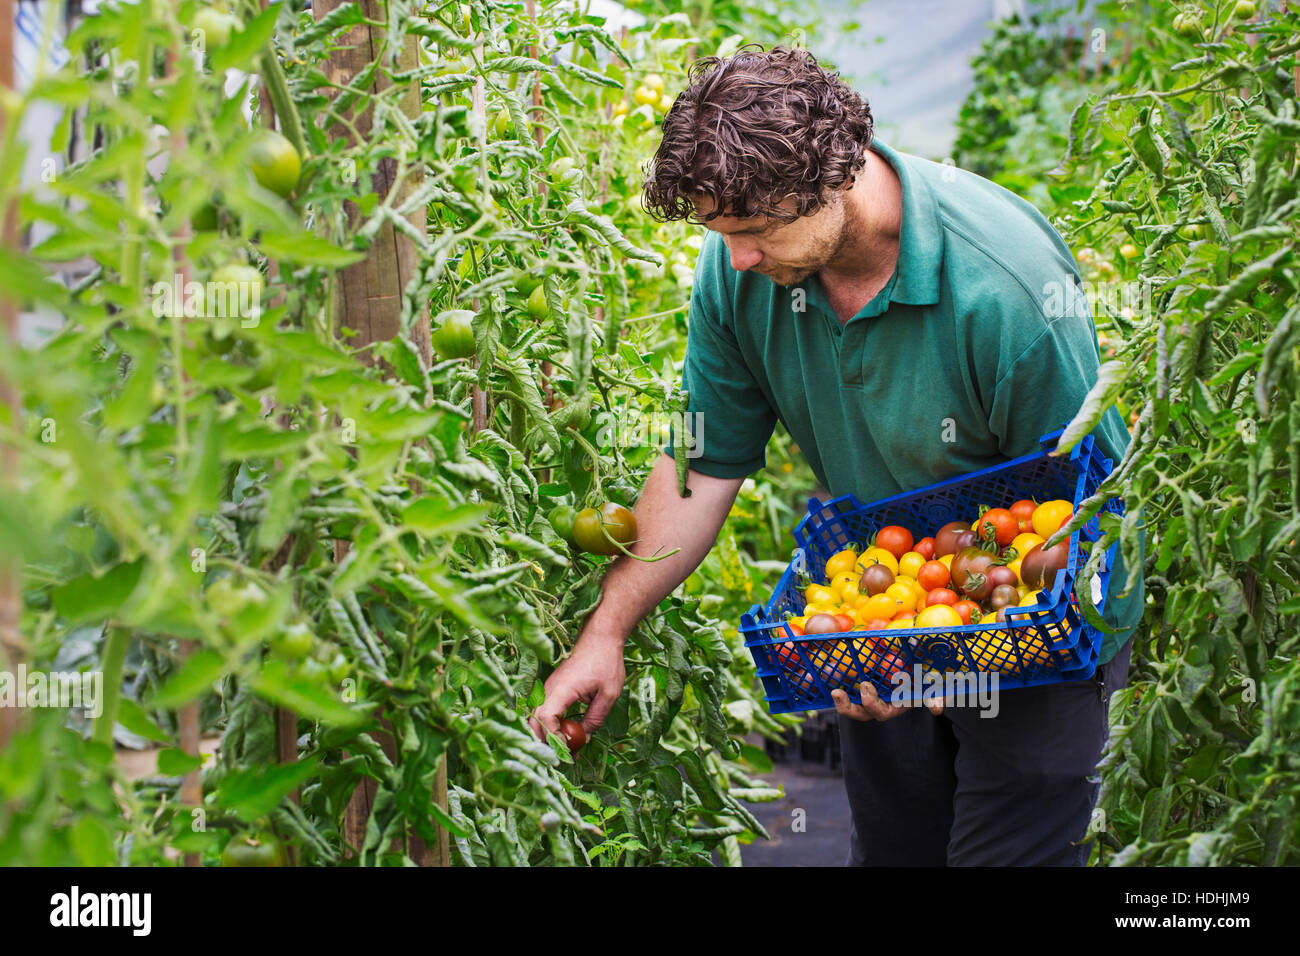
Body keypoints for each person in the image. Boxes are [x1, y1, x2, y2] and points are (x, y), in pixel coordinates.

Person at [531, 44, 1144, 866]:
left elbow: (1079, 509)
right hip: (883, 610)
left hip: (1043, 621)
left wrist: (949, 653)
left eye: (752, 233)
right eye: (723, 234)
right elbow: (698, 468)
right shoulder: (739, 274)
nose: (737, 257)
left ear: (833, 178)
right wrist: (604, 633)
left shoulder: (1008, 289)